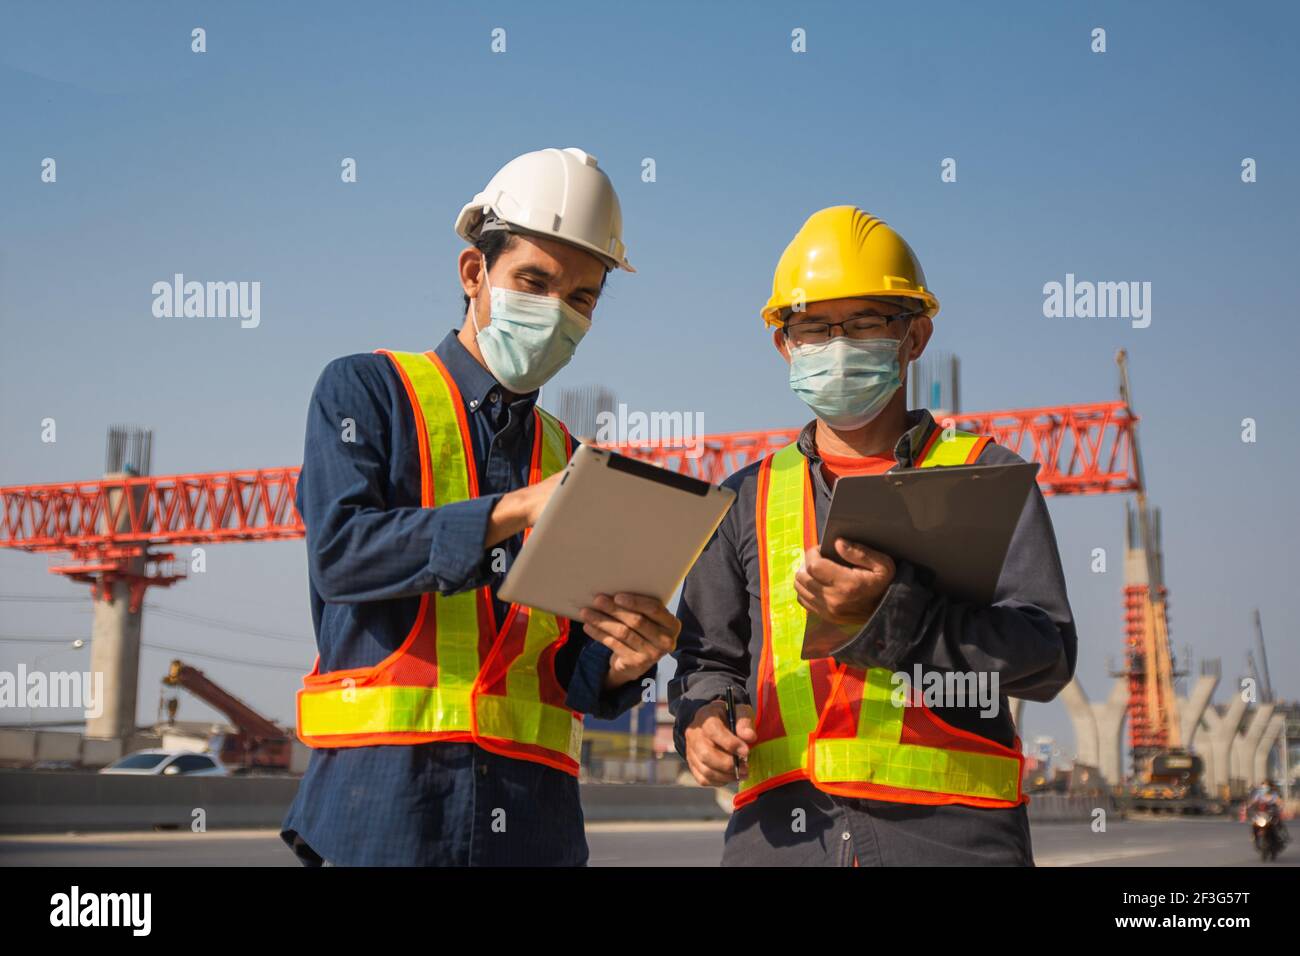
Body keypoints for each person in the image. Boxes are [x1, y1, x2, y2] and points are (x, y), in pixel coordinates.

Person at [281, 147, 679, 866]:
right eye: (534, 281)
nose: (556, 311)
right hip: (386, 812)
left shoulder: (571, 458)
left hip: (534, 824)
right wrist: (519, 508)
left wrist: (625, 659)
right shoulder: (367, 392)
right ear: (474, 273)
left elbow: (564, 668)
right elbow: (340, 556)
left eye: (581, 297)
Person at [669, 205, 1077, 866]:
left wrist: (895, 618)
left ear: (914, 337)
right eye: (812, 328)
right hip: (779, 839)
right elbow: (706, 658)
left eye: (861, 324)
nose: (836, 345)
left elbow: (1046, 656)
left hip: (952, 840)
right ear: (784, 344)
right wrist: (704, 718)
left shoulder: (987, 478)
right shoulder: (743, 498)